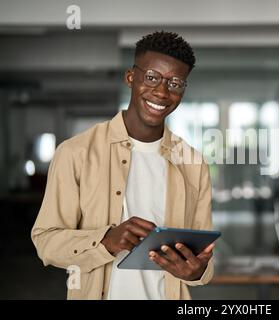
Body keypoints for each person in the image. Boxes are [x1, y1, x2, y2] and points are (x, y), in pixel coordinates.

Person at [31, 31, 214, 300]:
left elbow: (205, 257)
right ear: (131, 77)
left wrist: (196, 272)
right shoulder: (76, 152)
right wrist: (105, 241)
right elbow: (46, 242)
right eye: (152, 77)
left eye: (175, 84)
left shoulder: (193, 163)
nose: (162, 92)